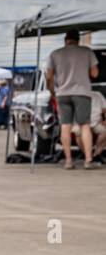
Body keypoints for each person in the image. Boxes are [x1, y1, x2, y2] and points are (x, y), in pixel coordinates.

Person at [45, 29, 100, 168]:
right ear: (78, 40)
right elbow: (94, 74)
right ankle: (88, 160)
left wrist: (52, 91)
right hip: (82, 93)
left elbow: (49, 76)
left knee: (65, 126)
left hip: (62, 94)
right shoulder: (87, 51)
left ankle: (68, 161)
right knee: (84, 125)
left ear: (65, 39)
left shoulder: (55, 54)